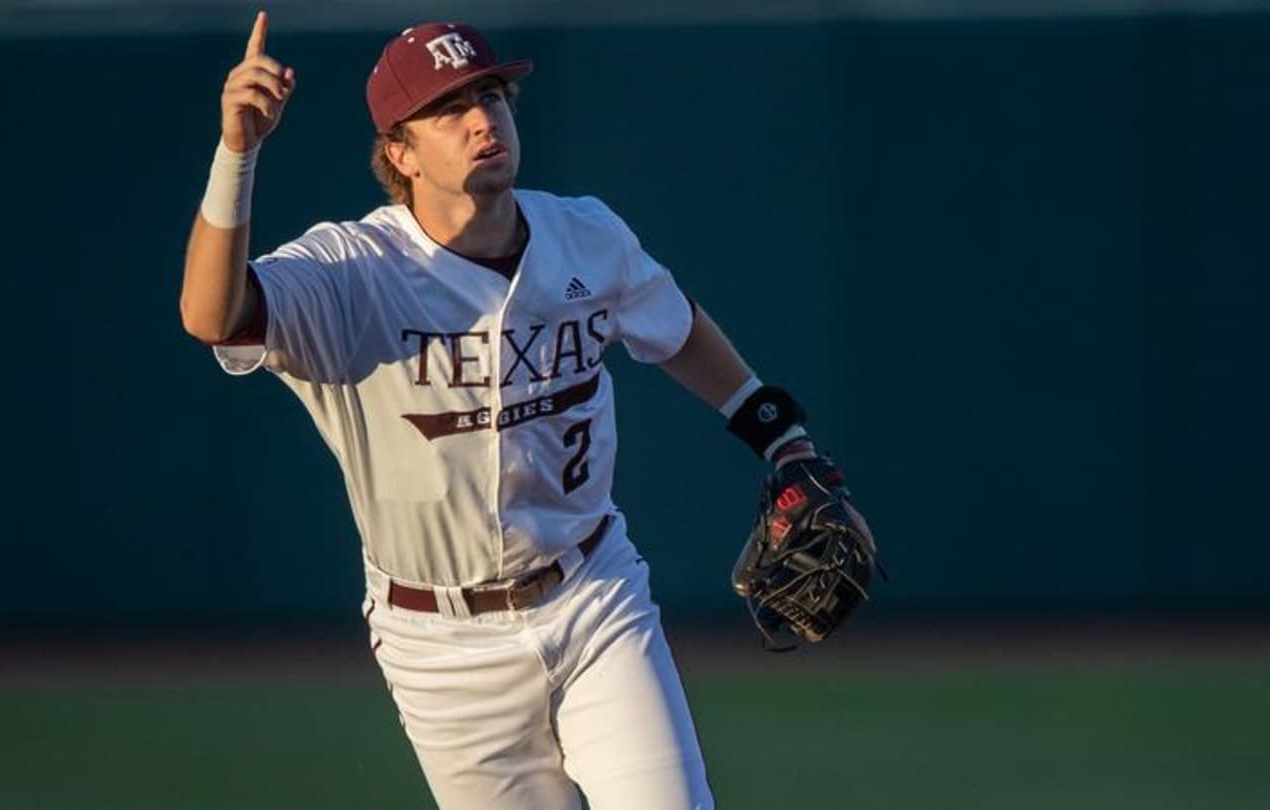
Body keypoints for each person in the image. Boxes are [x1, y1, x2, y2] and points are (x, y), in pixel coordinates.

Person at [180, 13, 870, 810]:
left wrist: (781, 438)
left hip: (594, 594)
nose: (484, 119)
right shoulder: (350, 272)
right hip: (439, 645)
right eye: (450, 108)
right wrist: (238, 153)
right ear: (398, 154)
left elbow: (675, 328)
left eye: (492, 94)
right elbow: (211, 316)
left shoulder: (584, 235)